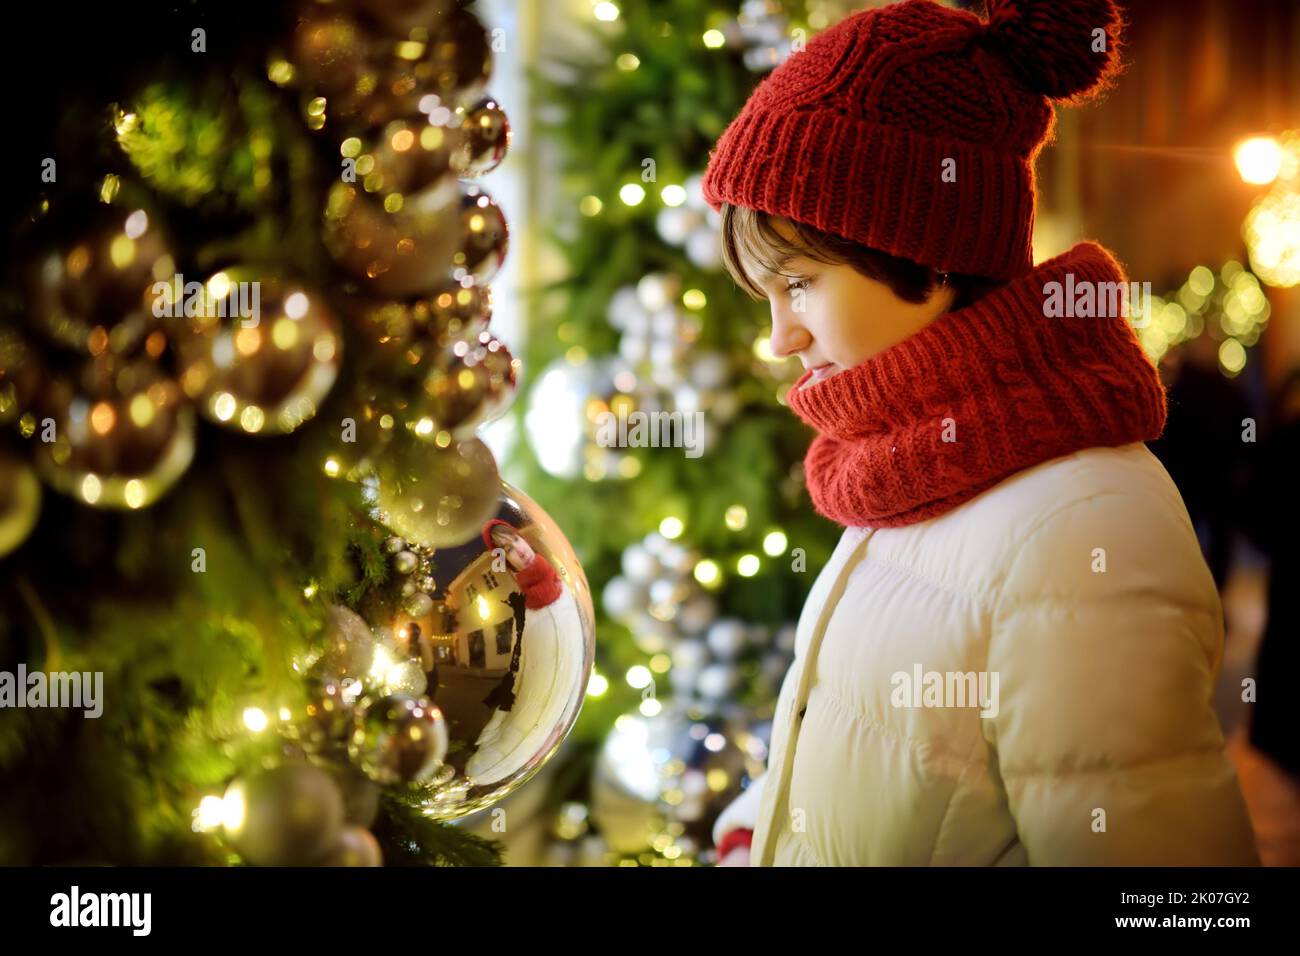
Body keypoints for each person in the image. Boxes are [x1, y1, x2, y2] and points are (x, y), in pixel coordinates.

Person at [704, 0, 1258, 866]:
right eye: (765, 297)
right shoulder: (908, 464)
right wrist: (760, 829)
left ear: (924, 249)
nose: (780, 338)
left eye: (801, 283)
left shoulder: (1084, 530)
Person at [463, 520, 586, 786]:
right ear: (506, 562)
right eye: (507, 548)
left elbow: (579, 653)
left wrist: (560, 721)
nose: (519, 549)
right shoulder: (528, 614)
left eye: (516, 539)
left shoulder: (566, 590)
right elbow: (524, 670)